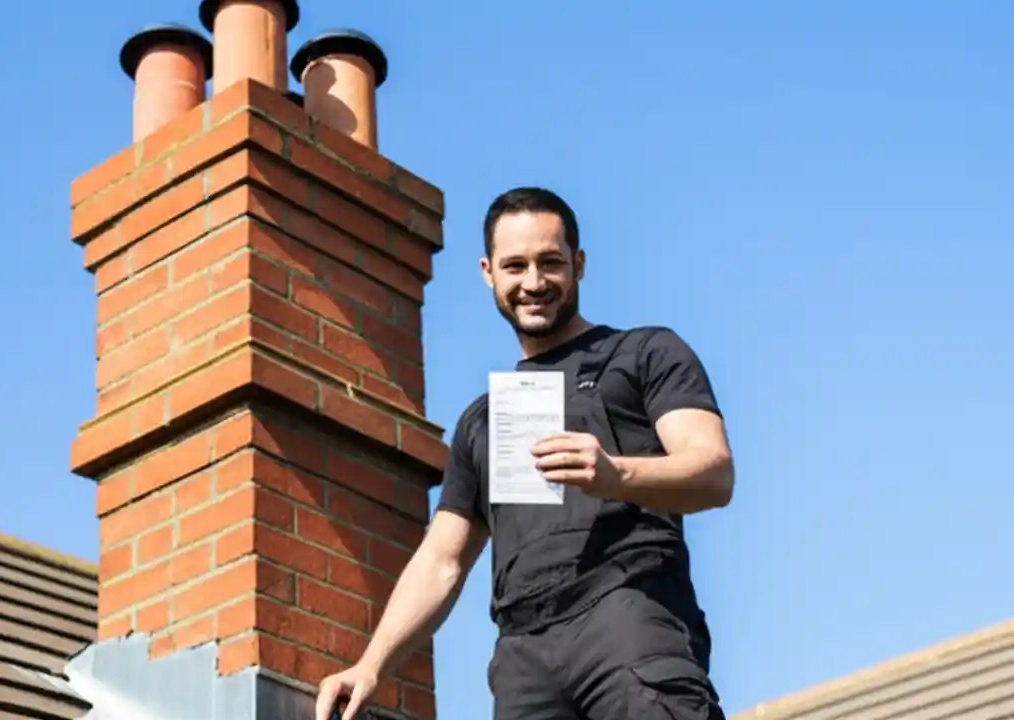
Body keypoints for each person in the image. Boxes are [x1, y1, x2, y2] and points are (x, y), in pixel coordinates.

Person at [314, 187, 735, 720]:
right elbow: (442, 560)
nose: (533, 283)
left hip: (627, 613)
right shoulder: (484, 420)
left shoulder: (644, 353)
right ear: (489, 272)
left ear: (579, 265)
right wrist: (371, 666)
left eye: (550, 263)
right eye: (516, 266)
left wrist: (614, 473)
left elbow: (714, 473)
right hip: (522, 656)